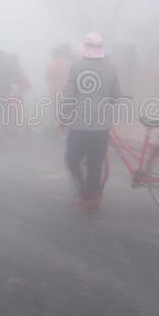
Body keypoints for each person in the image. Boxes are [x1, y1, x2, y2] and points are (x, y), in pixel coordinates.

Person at [59, 32, 121, 210]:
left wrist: (63, 118)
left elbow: (69, 97)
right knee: (95, 163)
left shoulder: (76, 66)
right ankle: (93, 194)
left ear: (85, 49)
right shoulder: (111, 67)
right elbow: (116, 95)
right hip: (102, 126)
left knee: (72, 159)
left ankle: (85, 190)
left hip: (79, 126)